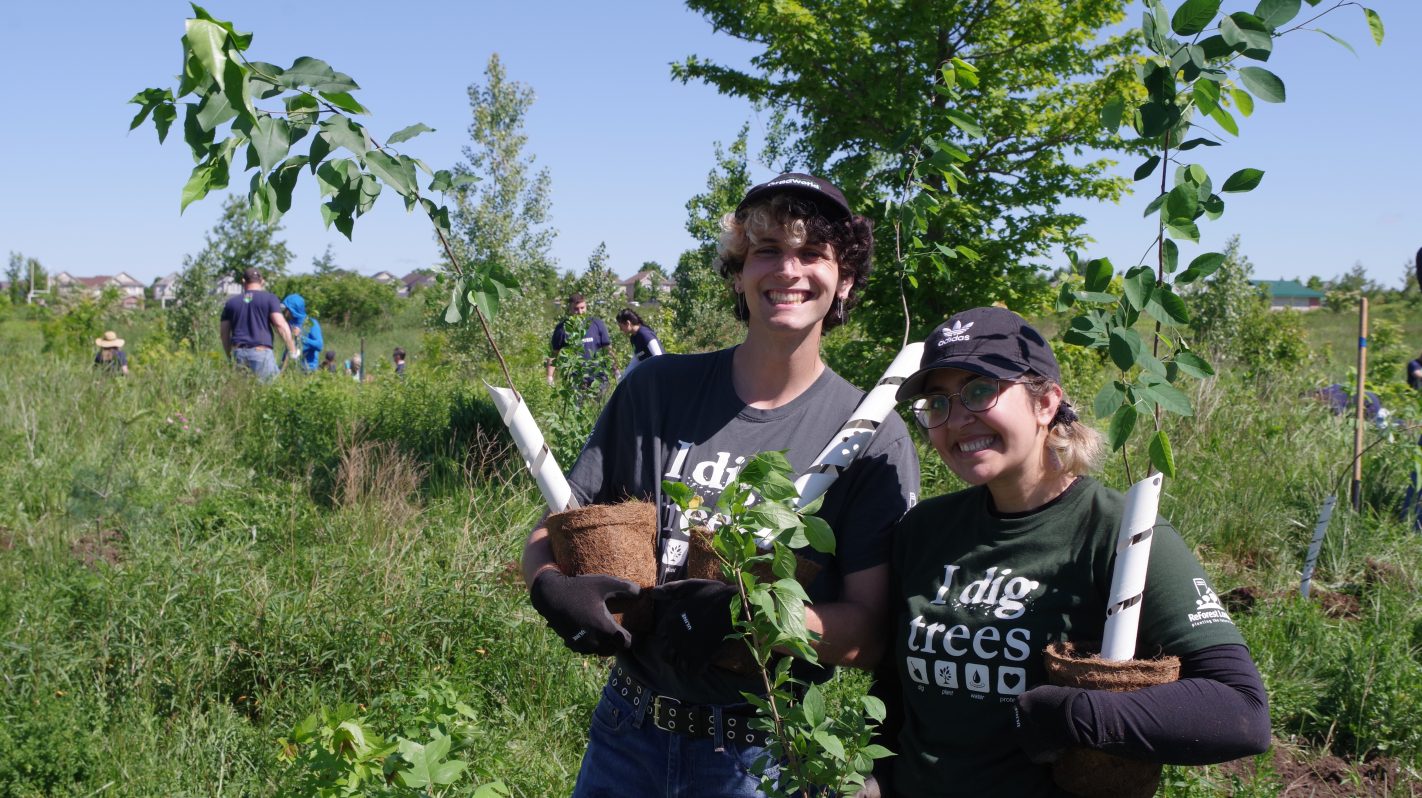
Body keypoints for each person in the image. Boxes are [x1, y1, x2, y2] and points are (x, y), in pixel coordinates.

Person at [521, 173, 920, 797]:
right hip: (628, 729)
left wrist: (760, 623)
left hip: (761, 754)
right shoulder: (656, 392)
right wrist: (548, 584)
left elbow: (868, 634)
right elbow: (558, 527)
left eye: (813, 254)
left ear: (844, 281)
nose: (788, 270)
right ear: (738, 272)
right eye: (767, 250)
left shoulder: (870, 434)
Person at [886, 307, 1270, 797]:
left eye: (980, 390)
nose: (957, 419)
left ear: (1046, 402)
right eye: (936, 403)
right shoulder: (924, 530)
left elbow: (1241, 712)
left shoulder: (1120, 533)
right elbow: (897, 690)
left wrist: (1072, 714)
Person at [220, 267, 296, 382]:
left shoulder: (231, 303)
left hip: (238, 353)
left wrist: (230, 356)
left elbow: (224, 333)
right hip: (261, 353)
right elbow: (280, 325)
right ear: (262, 281)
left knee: (243, 395)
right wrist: (292, 350)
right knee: (270, 394)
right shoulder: (270, 299)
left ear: (243, 281)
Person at [547, 293, 615, 387]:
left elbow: (608, 350)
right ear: (569, 308)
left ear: (586, 306)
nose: (580, 312)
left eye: (582, 308)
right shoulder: (562, 328)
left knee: (602, 401)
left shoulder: (596, 323)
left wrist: (616, 371)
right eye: (576, 309)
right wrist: (550, 376)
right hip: (574, 380)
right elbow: (554, 354)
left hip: (598, 377)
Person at [614, 308, 664, 381]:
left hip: (660, 375)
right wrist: (623, 378)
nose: (620, 330)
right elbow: (637, 358)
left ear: (628, 323)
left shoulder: (645, 334)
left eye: (621, 326)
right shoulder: (633, 338)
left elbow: (659, 357)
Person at [281, 294, 323, 373]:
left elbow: (319, 345)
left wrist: (301, 337)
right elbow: (289, 346)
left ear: (293, 309)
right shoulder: (290, 323)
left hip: (308, 370)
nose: (284, 311)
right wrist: (282, 363)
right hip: (291, 369)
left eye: (287, 309)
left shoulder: (311, 323)